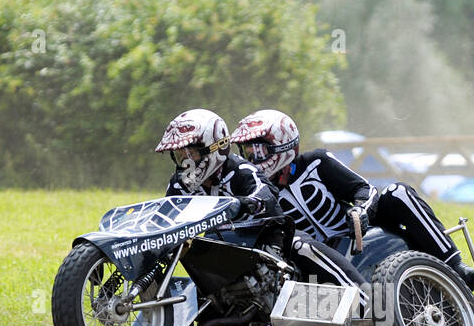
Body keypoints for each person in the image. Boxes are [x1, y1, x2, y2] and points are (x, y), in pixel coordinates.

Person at [228, 109, 474, 290]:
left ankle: (457, 268)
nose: (252, 158)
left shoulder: (316, 162)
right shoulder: (257, 189)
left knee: (396, 193)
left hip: (355, 237)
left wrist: (359, 211)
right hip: (311, 262)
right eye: (247, 151)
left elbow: (364, 190)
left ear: (283, 145)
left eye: (258, 149)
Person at [155, 109, 368, 300]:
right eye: (179, 156)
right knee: (197, 274)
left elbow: (265, 194)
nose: (186, 163)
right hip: (226, 250)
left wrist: (244, 203)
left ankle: (367, 300)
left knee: (303, 246)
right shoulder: (180, 183)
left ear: (214, 148)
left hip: (271, 242)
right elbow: (164, 215)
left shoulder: (241, 170)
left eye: (191, 153)